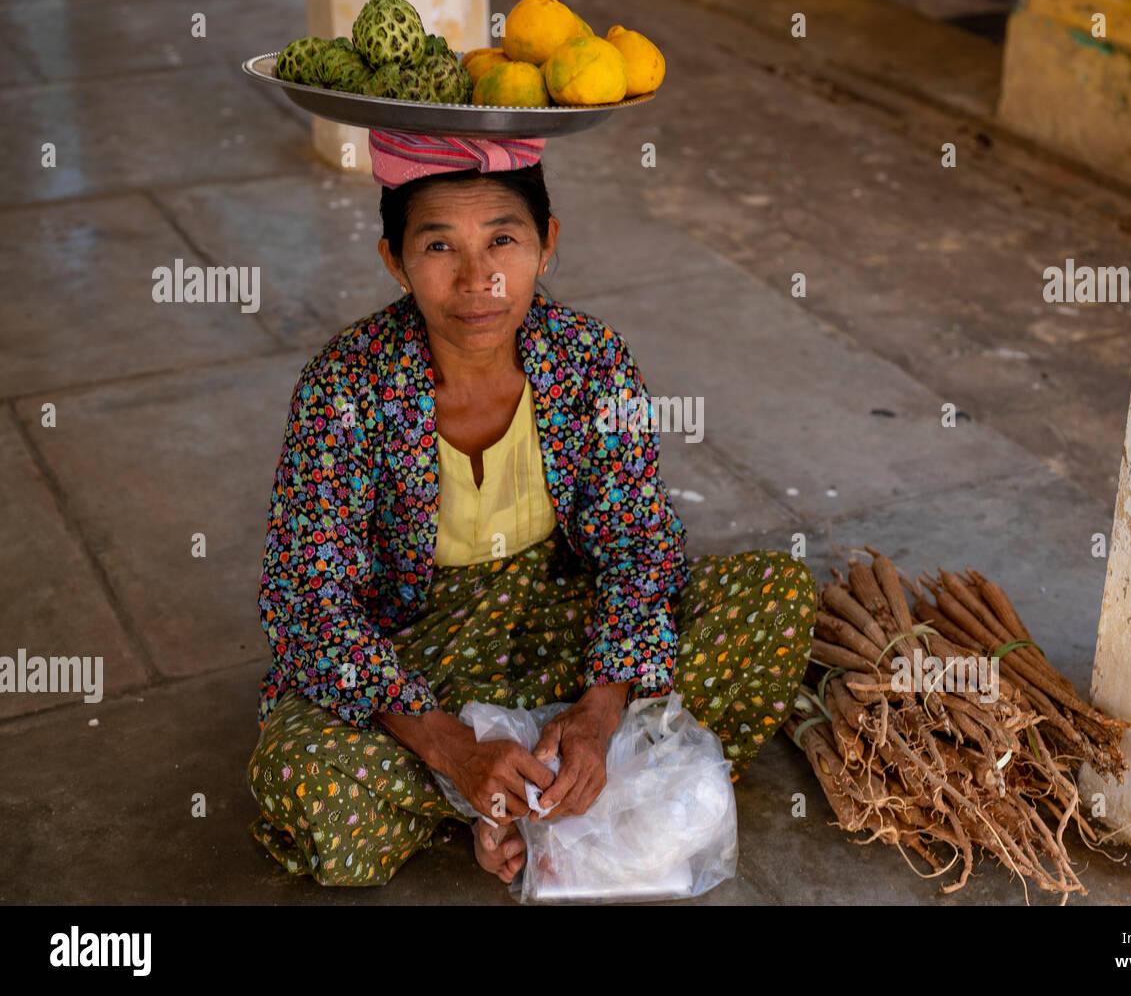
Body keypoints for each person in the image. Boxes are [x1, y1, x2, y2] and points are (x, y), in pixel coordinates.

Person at [245, 129, 816, 888]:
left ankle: (538, 776)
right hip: (421, 656)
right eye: (440, 246)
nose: (479, 279)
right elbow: (307, 600)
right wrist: (450, 745)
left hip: (561, 624)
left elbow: (638, 547)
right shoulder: (343, 387)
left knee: (776, 594)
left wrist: (600, 710)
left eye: (503, 239)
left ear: (546, 245)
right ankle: (539, 792)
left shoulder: (591, 360)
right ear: (395, 259)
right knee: (298, 774)